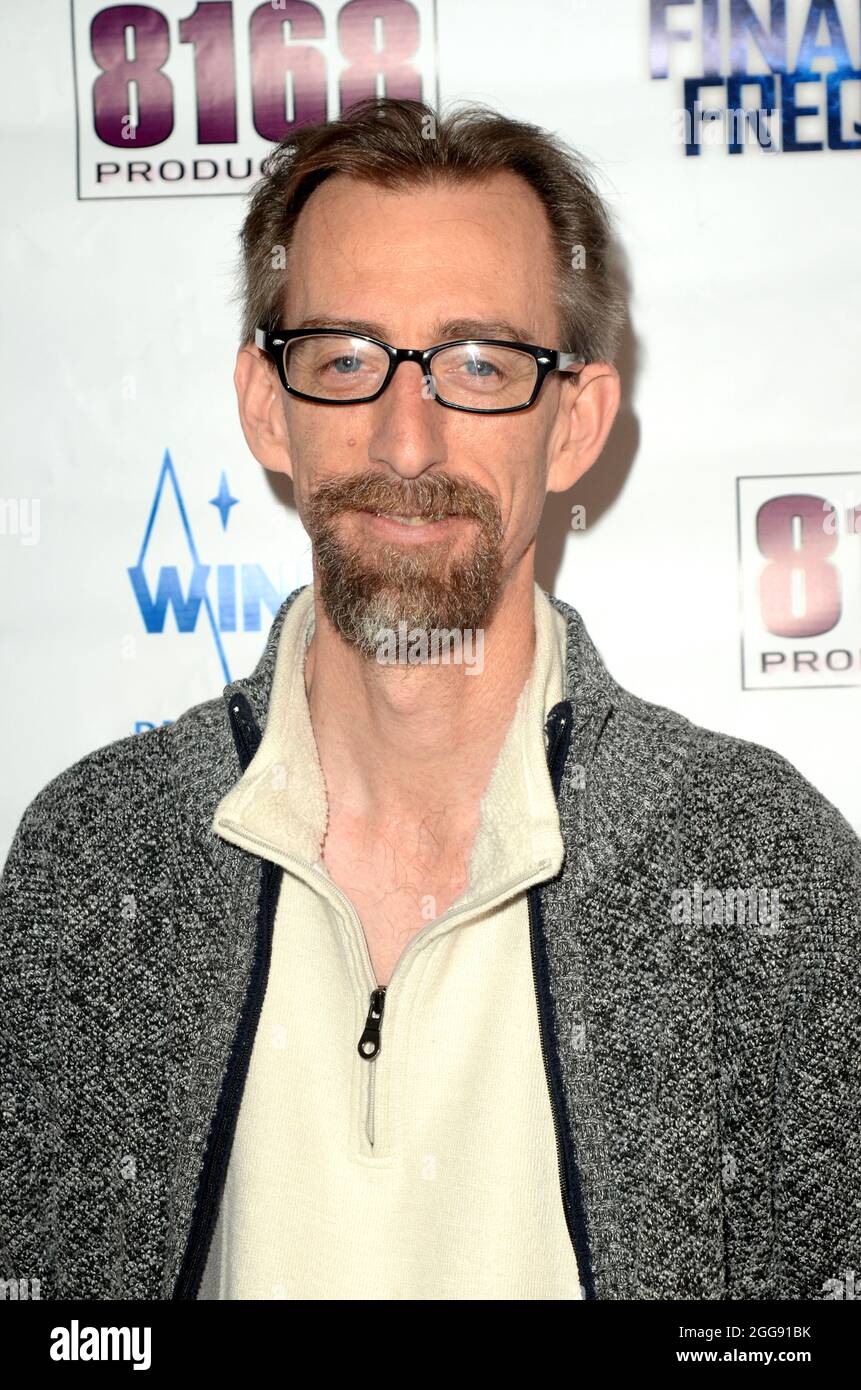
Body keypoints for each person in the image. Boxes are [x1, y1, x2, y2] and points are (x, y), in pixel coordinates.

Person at [1, 97, 858, 1302]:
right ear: (266, 406)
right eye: (346, 359)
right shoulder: (91, 863)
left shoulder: (761, 863)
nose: (407, 444)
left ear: (576, 425)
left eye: (479, 365)